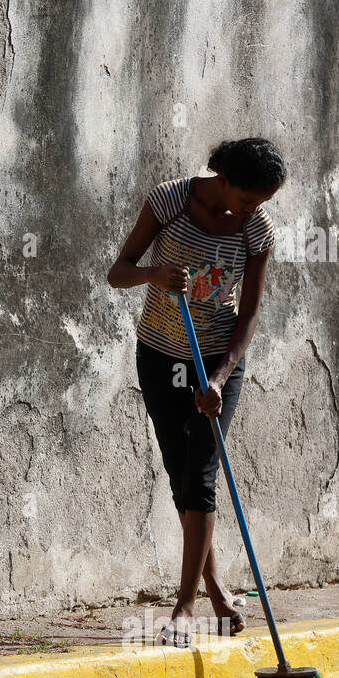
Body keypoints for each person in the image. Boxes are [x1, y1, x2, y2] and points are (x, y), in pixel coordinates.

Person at [107, 138, 286, 646]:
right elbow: (117, 272)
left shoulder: (256, 230)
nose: (253, 210)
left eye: (262, 203)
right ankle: (211, 583)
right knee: (180, 476)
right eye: (248, 198)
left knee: (202, 472)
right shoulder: (169, 200)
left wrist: (221, 376)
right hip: (161, 354)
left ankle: (184, 609)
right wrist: (154, 276)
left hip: (216, 361)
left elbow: (249, 312)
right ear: (223, 179)